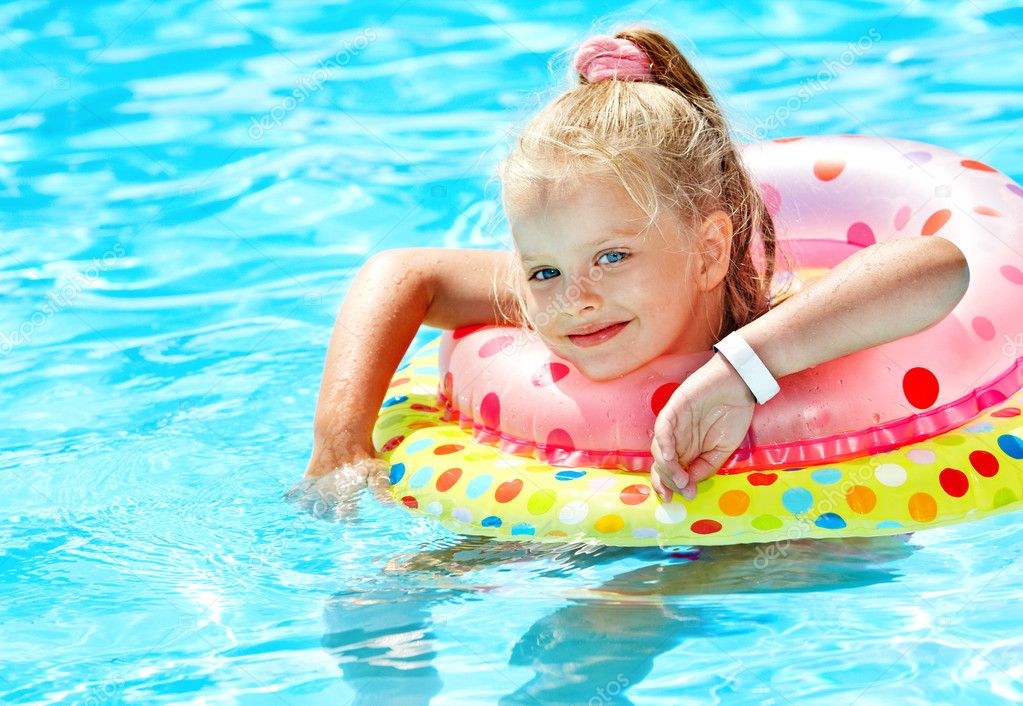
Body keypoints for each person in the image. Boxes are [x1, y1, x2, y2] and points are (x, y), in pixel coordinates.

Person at [290, 26, 968, 519]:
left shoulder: (766, 323)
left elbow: (938, 267)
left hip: (801, 533)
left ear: (705, 254)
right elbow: (401, 272)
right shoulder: (565, 299)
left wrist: (741, 371)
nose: (574, 299)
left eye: (612, 257)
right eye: (544, 269)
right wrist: (340, 446)